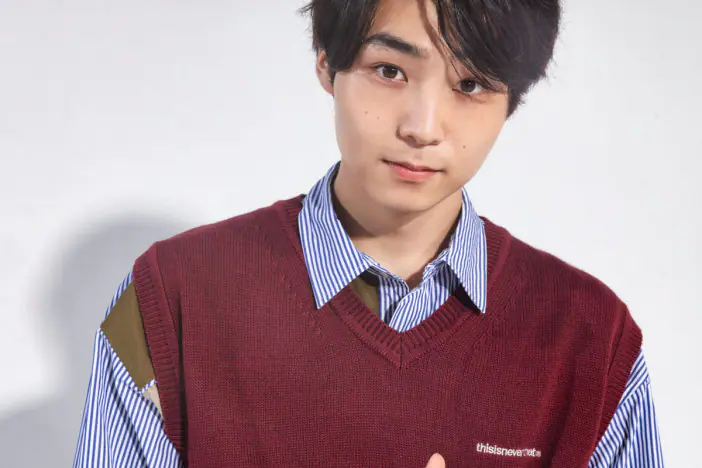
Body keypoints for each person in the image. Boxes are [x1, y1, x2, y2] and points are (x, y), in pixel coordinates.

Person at [73, 0, 664, 466]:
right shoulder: (173, 296)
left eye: (471, 85)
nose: (423, 128)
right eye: (389, 71)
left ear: (513, 99)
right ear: (327, 64)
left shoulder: (590, 337)